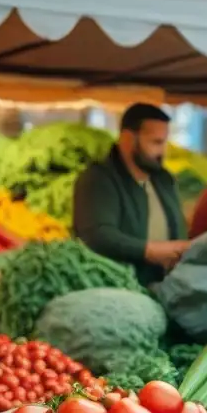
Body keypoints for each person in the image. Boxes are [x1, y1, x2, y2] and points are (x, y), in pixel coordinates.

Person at [72, 103, 187, 286]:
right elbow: (97, 235)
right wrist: (149, 251)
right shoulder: (98, 179)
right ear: (127, 139)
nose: (162, 151)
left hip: (167, 286)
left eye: (164, 142)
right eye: (155, 142)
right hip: (117, 287)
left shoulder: (165, 181)